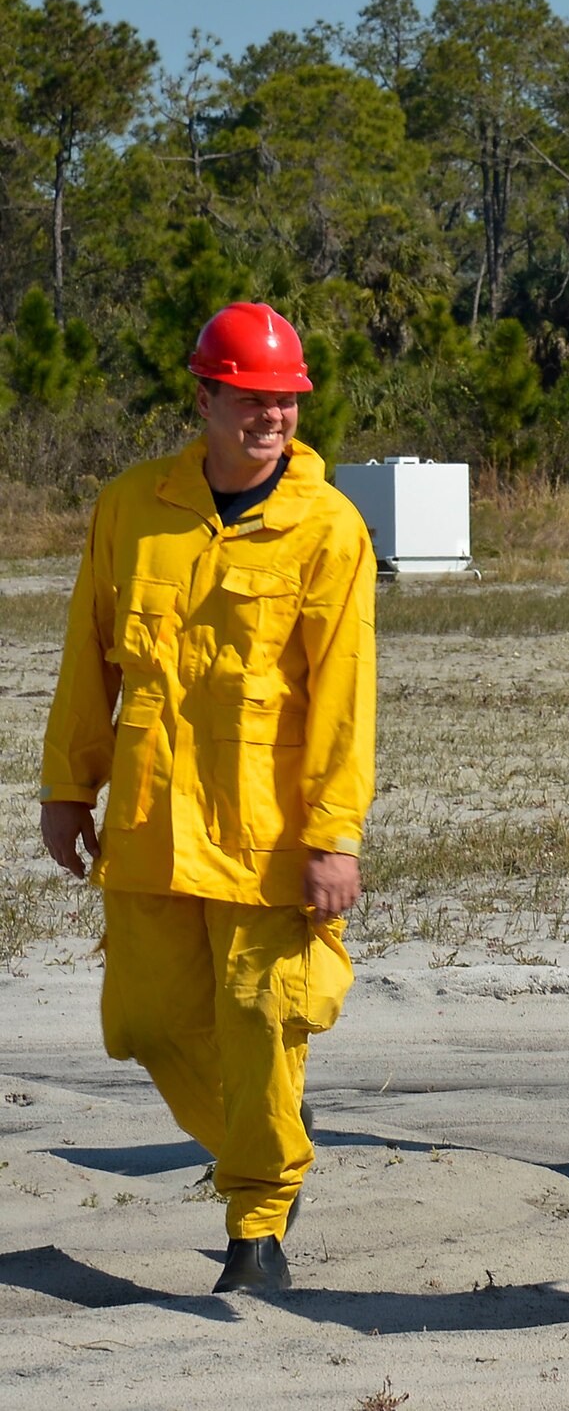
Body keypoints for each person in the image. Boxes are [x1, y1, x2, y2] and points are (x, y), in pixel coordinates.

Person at [39, 301, 375, 1296]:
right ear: (205, 398)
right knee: (144, 1021)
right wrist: (68, 786)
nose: (272, 416)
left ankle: (257, 1226)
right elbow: (89, 657)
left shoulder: (328, 526)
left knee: (260, 1018)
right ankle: (264, 1133)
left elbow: (346, 694)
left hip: (270, 830)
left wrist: (336, 834)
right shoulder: (131, 508)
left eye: (286, 400)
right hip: (150, 817)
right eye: (251, 398)